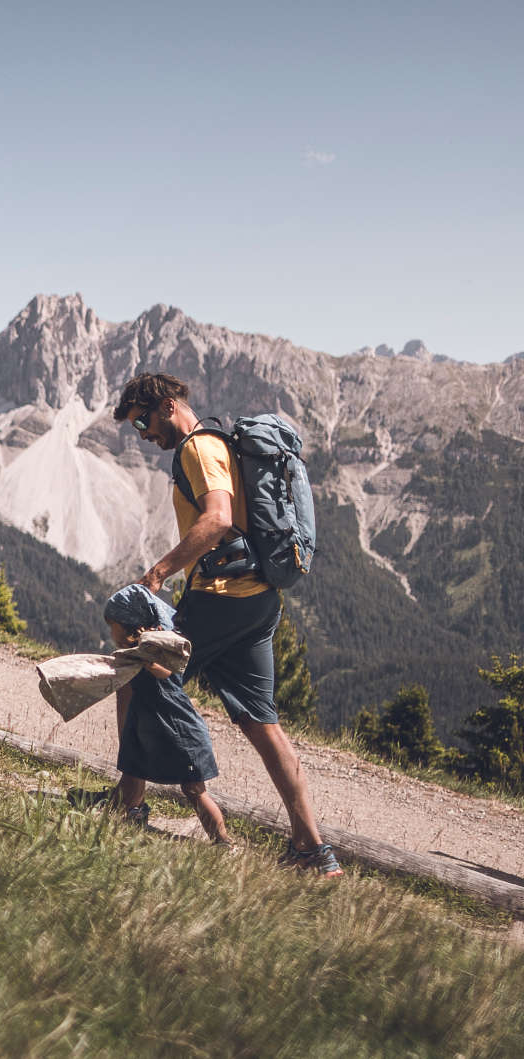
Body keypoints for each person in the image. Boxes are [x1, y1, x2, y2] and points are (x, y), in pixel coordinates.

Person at [114, 371, 340, 876]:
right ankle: (312, 850)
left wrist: (160, 572)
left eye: (143, 422)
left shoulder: (197, 449)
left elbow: (217, 519)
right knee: (263, 724)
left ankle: (127, 807)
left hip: (221, 597)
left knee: (136, 673)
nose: (144, 435)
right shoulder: (219, 442)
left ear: (168, 405)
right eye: (136, 427)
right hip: (258, 600)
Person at [98, 584, 230, 845]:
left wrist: (149, 662)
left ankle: (223, 842)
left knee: (194, 789)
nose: (110, 631)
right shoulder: (132, 653)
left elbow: (167, 672)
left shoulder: (156, 649)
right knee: (131, 774)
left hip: (178, 729)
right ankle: (113, 821)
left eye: (112, 624)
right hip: (147, 728)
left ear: (131, 626)